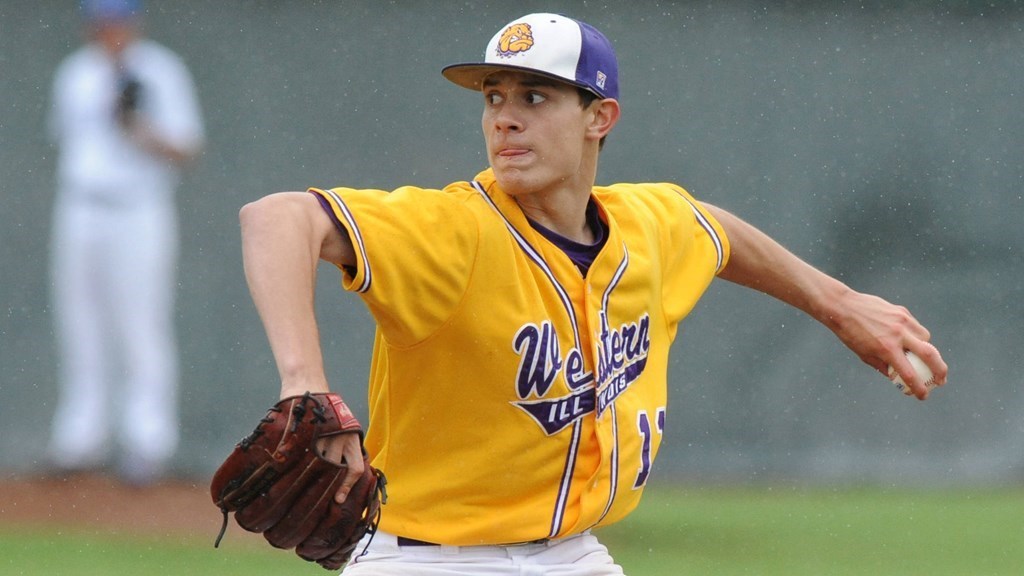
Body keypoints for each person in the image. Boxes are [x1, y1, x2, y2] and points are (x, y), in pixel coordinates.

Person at [237, 12, 947, 574]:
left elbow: (716, 231)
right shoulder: (451, 231)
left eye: (534, 97)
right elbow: (276, 218)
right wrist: (304, 385)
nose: (503, 118)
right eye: (494, 98)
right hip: (428, 560)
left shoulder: (648, 224)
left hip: (571, 553)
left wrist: (838, 303)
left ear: (599, 118)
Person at [47, 0, 205, 485]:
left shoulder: (161, 69)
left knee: (141, 325)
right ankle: (80, 440)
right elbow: (63, 140)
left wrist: (138, 126)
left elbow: (186, 149)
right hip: (80, 205)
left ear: (134, 21)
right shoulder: (74, 73)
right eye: (100, 20)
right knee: (79, 323)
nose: (108, 29)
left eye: (116, 20)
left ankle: (147, 442)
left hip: (138, 208)